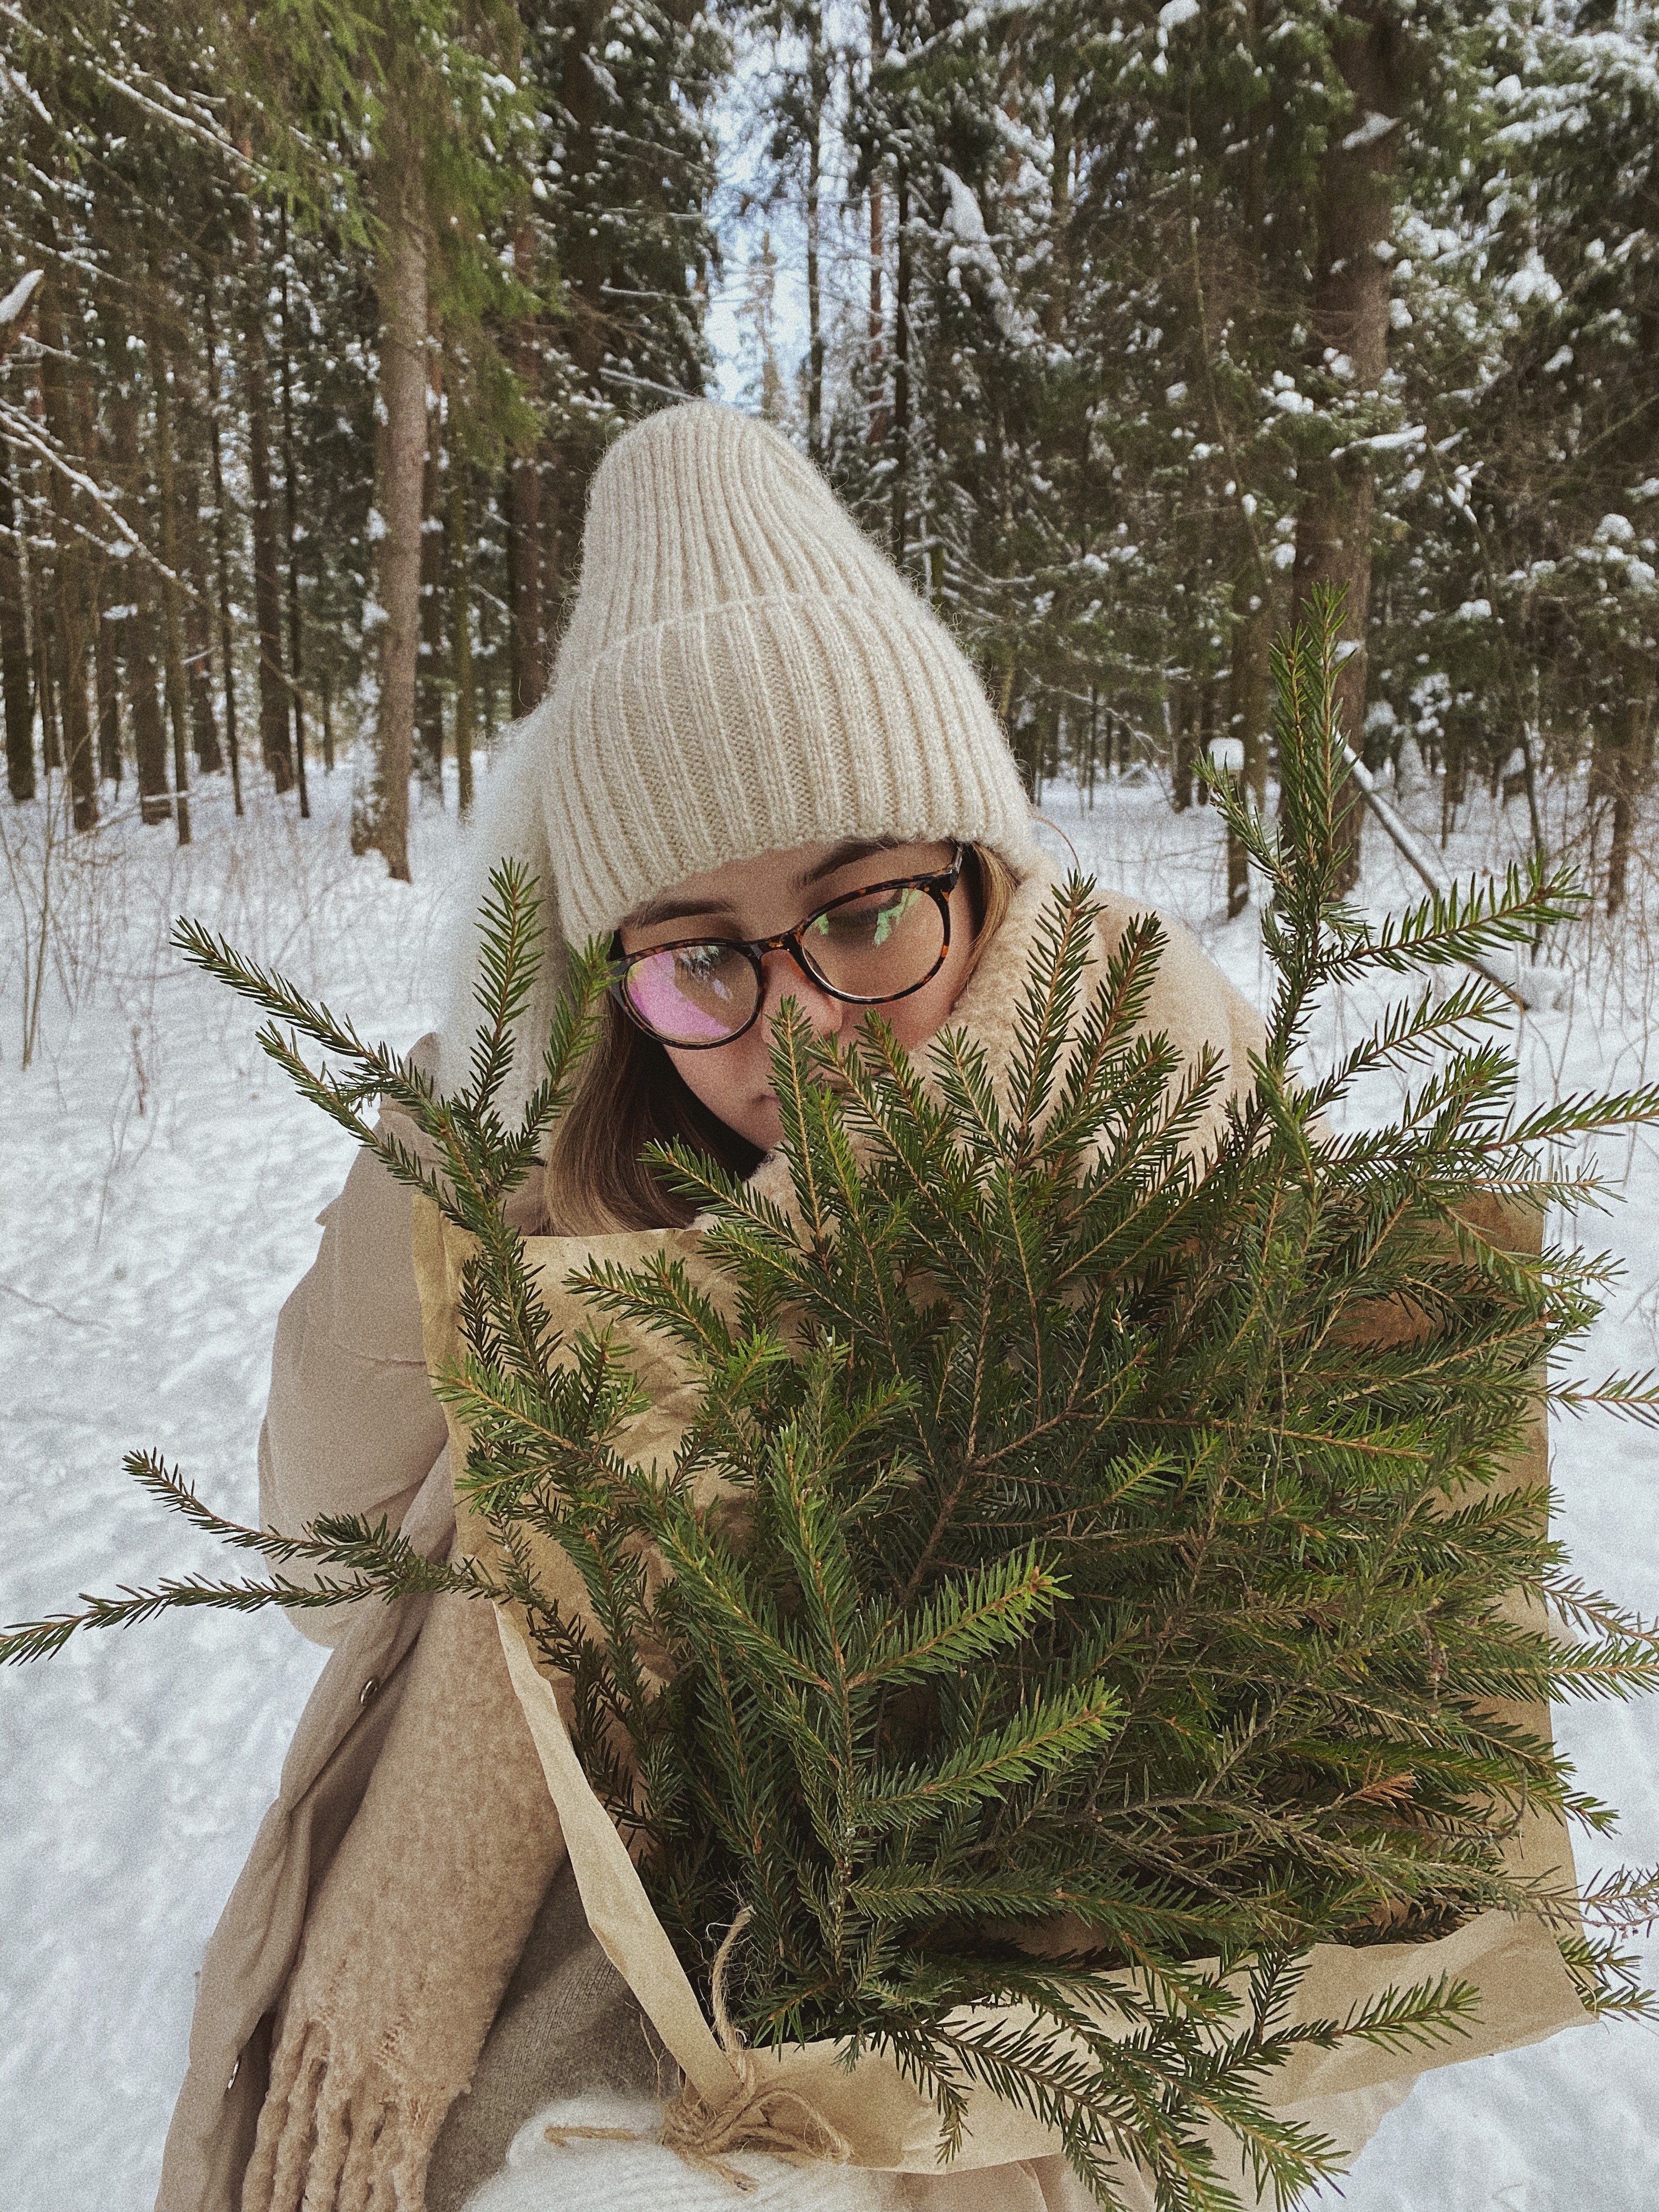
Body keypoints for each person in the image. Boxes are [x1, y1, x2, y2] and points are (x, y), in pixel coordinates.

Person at [155, 401, 1360, 2212]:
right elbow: (330, 1564)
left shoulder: (1154, 1149)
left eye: (867, 913)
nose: (798, 1026)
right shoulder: (573, 1167)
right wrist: (463, 1113)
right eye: (700, 954)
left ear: (989, 876)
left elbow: (1323, 1902)